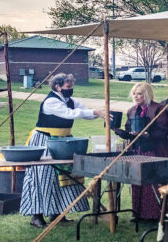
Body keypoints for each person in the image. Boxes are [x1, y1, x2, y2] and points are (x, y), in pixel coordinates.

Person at [20, 73, 105, 228]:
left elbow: (85, 112)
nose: (70, 89)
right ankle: (36, 216)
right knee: (43, 177)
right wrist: (94, 112)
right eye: (68, 86)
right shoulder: (51, 101)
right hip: (45, 141)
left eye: (71, 86)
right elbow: (69, 114)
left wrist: (101, 114)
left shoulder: (70, 101)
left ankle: (57, 213)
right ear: (57, 86)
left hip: (63, 143)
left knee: (62, 177)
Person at [114, 82, 168, 220]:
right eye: (134, 93)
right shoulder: (132, 110)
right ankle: (138, 213)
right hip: (137, 150)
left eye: (139, 93)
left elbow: (164, 131)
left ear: (146, 94)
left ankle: (155, 214)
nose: (136, 96)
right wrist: (121, 132)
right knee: (137, 182)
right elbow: (129, 131)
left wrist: (148, 135)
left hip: (153, 150)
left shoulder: (159, 109)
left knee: (151, 182)